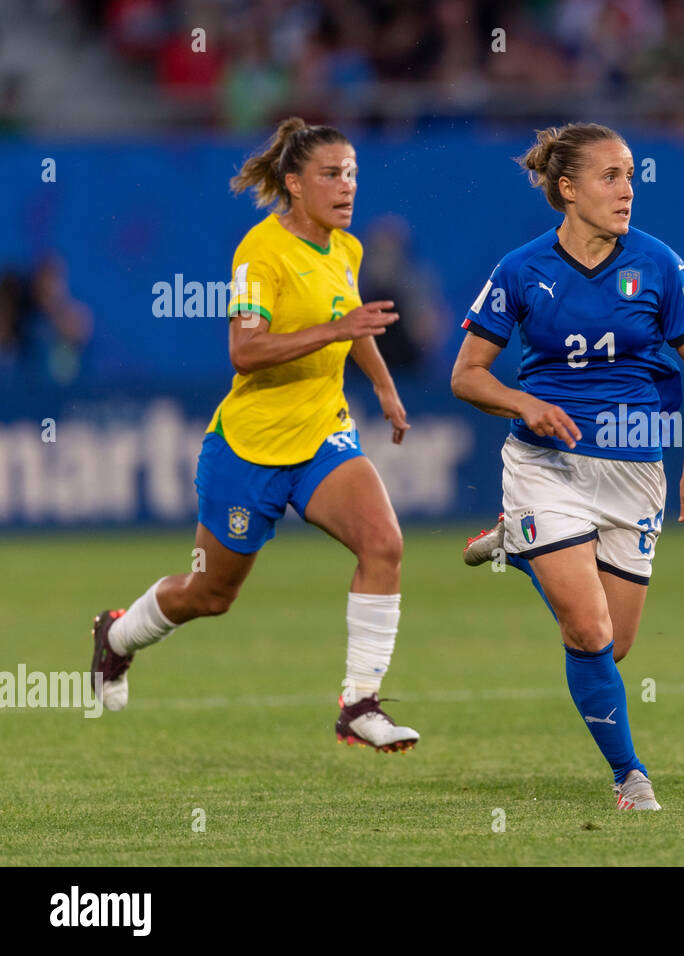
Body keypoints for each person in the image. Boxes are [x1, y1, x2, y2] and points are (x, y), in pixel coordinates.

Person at [91, 117, 420, 753]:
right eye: (331, 174)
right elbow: (246, 350)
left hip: (324, 435)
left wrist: (382, 385)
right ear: (294, 184)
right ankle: (118, 634)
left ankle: (359, 703)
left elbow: (346, 321)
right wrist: (337, 332)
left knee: (383, 544)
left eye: (352, 173)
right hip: (251, 448)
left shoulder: (344, 248)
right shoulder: (259, 252)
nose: (347, 186)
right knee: (210, 595)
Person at [451, 122, 684, 811]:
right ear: (567, 189)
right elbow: (467, 376)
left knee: (615, 645)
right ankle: (630, 776)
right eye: (610, 177)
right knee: (589, 631)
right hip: (548, 466)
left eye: (630, 175)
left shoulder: (658, 263)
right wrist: (523, 402)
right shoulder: (521, 270)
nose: (628, 190)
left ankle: (519, 540)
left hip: (635, 472)